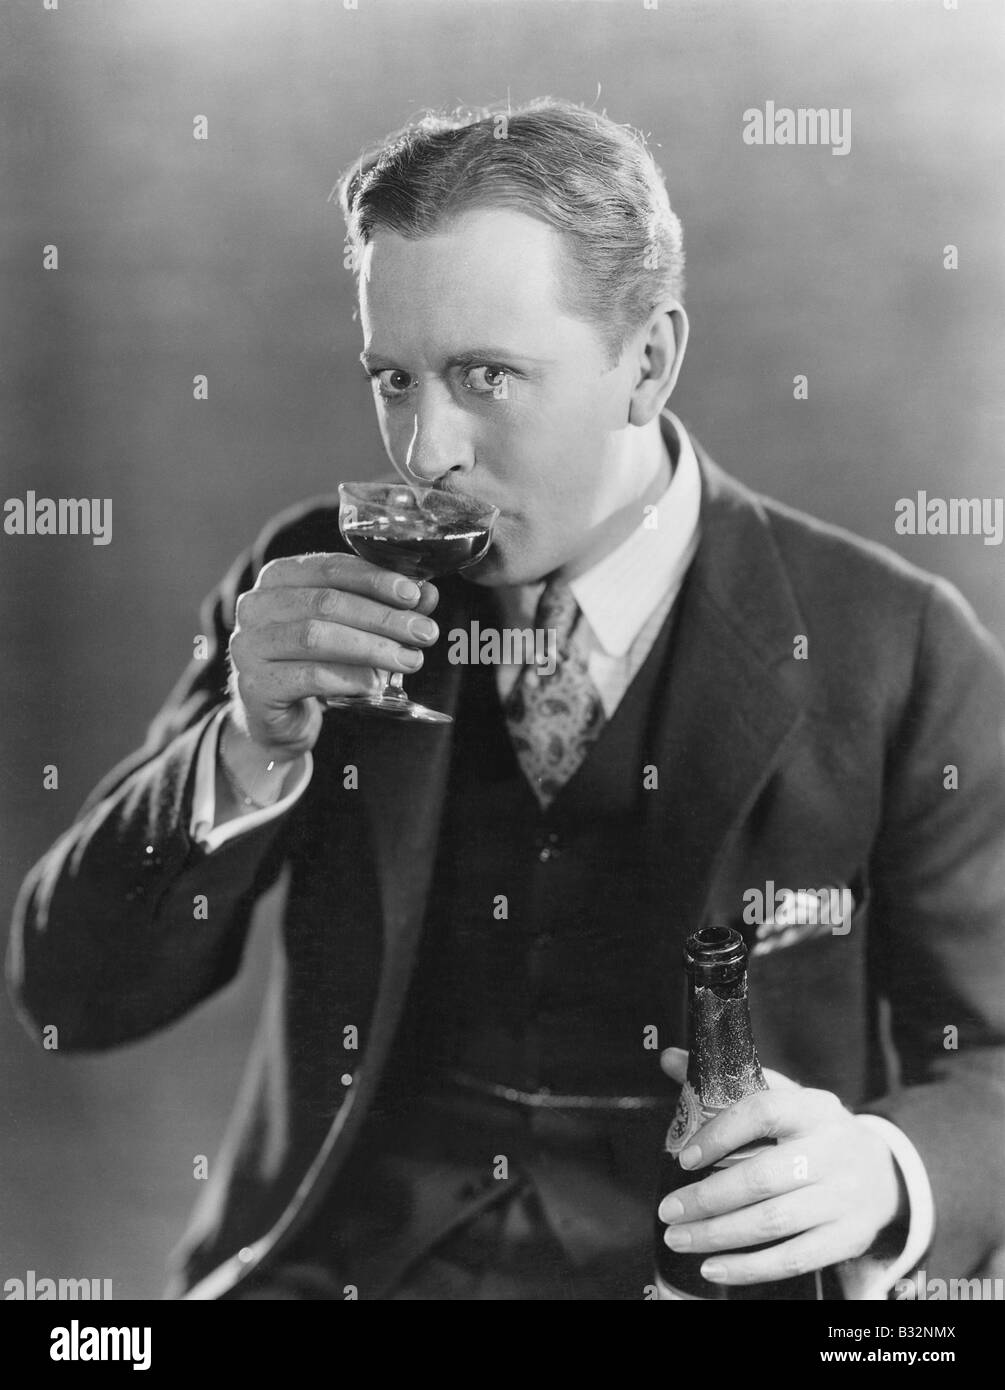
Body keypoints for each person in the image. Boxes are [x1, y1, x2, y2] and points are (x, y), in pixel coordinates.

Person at [8, 98, 1005, 1301]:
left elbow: (992, 1065)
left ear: (648, 362)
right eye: (394, 378)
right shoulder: (310, 585)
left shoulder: (895, 644)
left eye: (485, 375)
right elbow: (71, 995)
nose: (423, 450)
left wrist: (884, 1168)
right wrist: (241, 747)